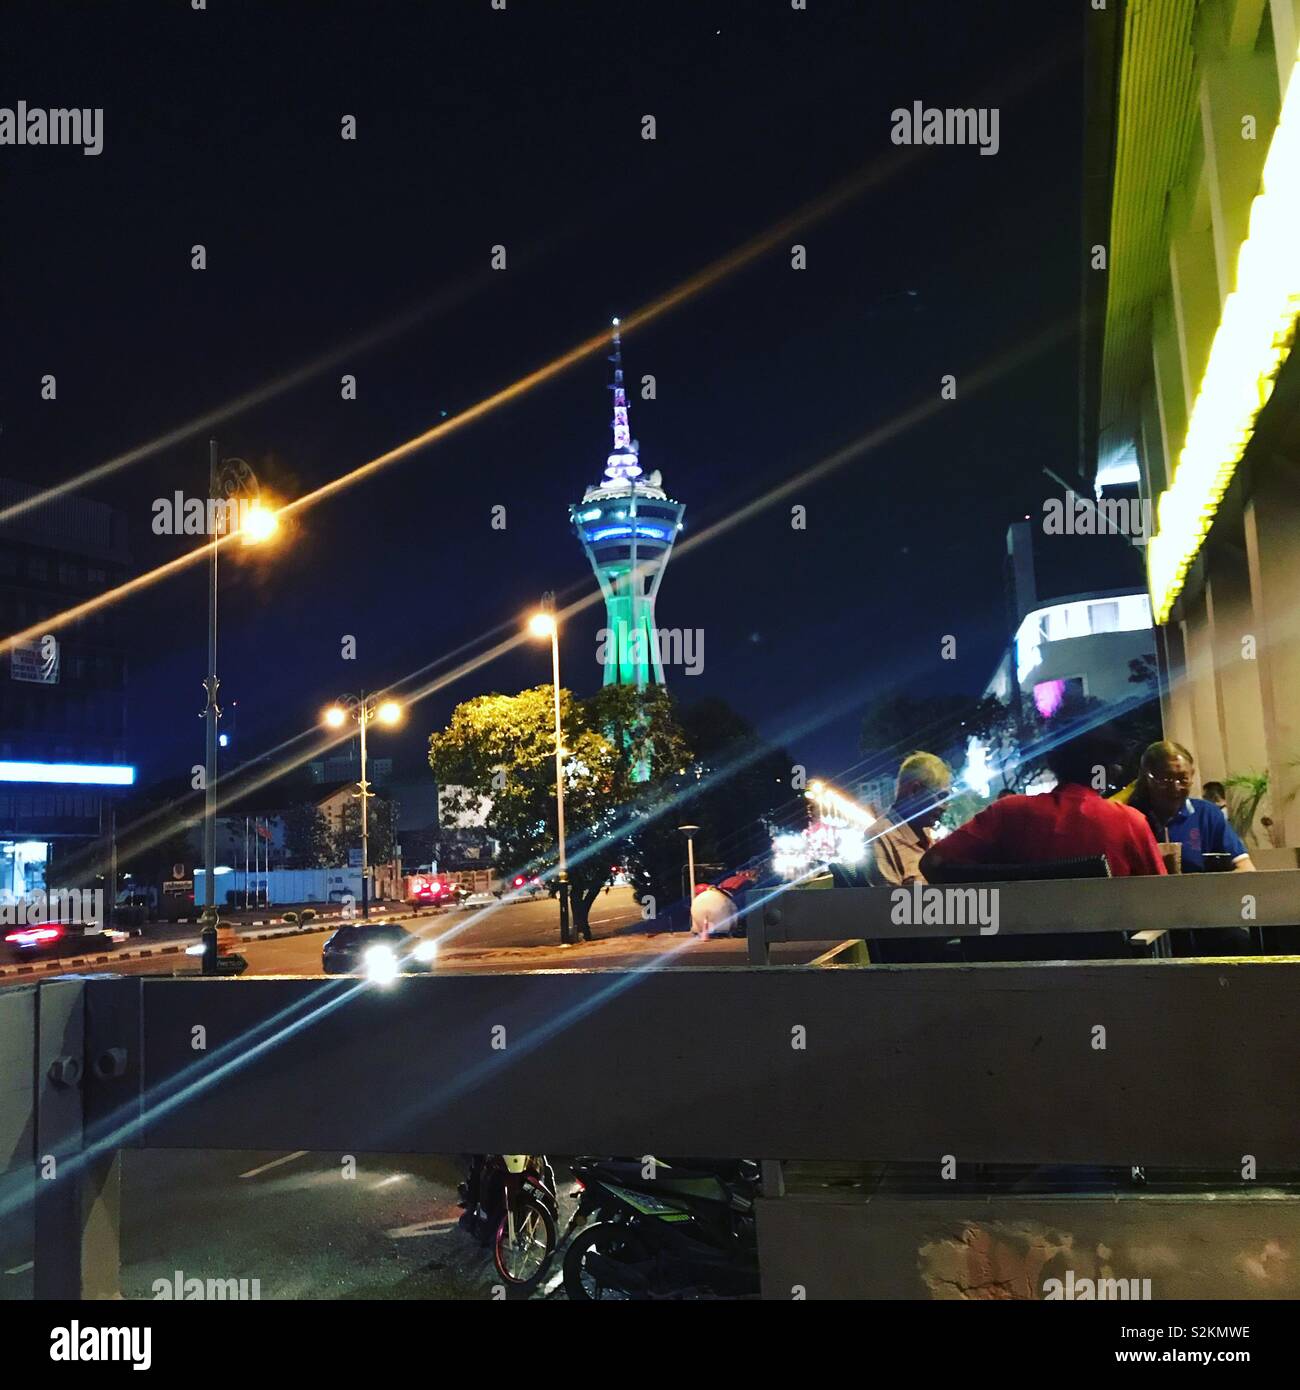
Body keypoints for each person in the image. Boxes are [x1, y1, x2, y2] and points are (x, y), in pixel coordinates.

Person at [920, 725, 1167, 879]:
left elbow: (933, 863)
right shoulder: (1129, 823)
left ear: (1054, 764)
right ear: (1108, 772)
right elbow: (1162, 899)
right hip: (1110, 961)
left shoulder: (1007, 812)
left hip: (1016, 960)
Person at [1122, 742, 1254, 872]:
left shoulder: (1207, 815)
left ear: (1192, 774)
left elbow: (1246, 868)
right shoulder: (1129, 819)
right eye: (1166, 779)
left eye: (1183, 779)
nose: (1175, 787)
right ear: (1148, 778)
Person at [863, 752, 952, 887]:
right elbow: (886, 904)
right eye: (941, 797)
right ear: (914, 791)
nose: (945, 807)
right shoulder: (879, 837)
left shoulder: (926, 834)